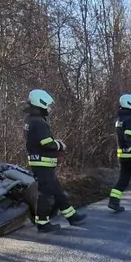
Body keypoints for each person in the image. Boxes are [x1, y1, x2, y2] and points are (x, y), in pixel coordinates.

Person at [23, 89, 85, 232]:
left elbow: (39, 141)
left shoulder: (30, 120)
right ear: (41, 104)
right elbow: (46, 143)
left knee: (57, 191)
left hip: (39, 162)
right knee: (46, 194)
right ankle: (43, 224)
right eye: (48, 105)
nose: (50, 108)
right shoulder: (39, 122)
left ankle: (72, 217)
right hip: (42, 163)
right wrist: (59, 144)